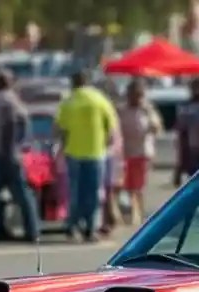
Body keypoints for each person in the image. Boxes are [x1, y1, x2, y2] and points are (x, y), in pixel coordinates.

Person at [0, 70, 40, 244]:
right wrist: (21, 147)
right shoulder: (16, 102)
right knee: (23, 194)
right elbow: (26, 128)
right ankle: (33, 231)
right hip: (13, 155)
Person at [56, 71, 117, 241]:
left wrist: (62, 148)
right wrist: (106, 144)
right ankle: (91, 228)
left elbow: (60, 129)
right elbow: (111, 127)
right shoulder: (100, 100)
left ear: (73, 83)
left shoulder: (68, 101)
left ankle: (72, 226)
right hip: (96, 152)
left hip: (74, 152)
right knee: (94, 192)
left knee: (75, 192)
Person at [117, 78, 162, 225]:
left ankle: (139, 213)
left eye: (139, 94)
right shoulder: (122, 110)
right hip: (125, 153)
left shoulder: (147, 110)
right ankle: (131, 211)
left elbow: (156, 128)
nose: (136, 97)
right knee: (127, 185)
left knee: (139, 186)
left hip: (142, 152)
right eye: (133, 94)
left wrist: (151, 121)